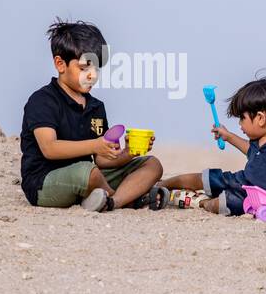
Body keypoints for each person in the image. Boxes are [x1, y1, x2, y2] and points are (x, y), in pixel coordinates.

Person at [19, 20, 168, 212]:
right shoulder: (43, 100)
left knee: (152, 164)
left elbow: (101, 159)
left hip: (91, 175)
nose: (92, 75)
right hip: (45, 182)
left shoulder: (96, 107)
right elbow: (50, 148)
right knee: (88, 172)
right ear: (60, 64)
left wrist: (128, 152)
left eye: (96, 69)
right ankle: (128, 198)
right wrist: (96, 144)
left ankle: (112, 202)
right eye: (84, 68)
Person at [159, 76, 266, 215]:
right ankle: (162, 184)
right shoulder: (261, 138)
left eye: (242, 118)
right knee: (205, 178)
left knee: (220, 204)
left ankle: (201, 201)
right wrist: (228, 136)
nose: (240, 124)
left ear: (260, 118)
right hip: (240, 182)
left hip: (259, 201)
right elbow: (251, 151)